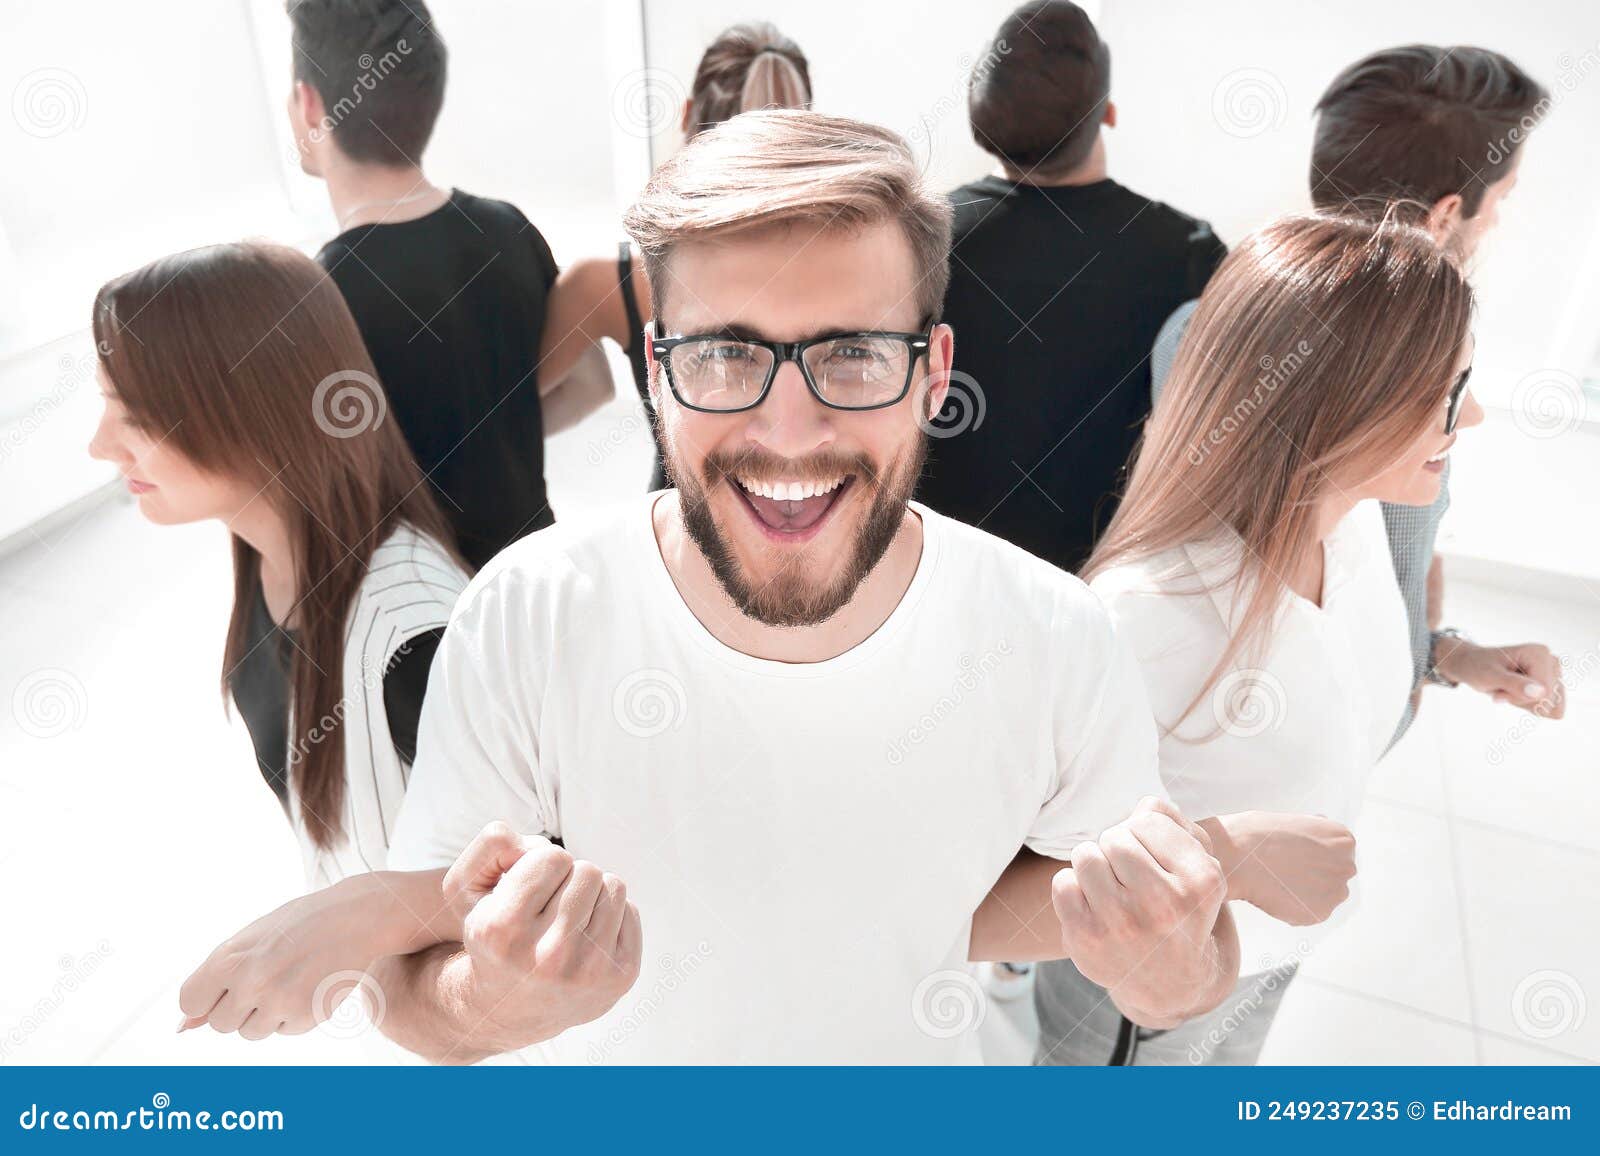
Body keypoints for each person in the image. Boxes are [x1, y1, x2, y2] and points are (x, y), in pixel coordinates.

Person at [339, 109, 1313, 1066]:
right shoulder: (525, 613)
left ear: (932, 373)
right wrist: (496, 1003)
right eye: (724, 354)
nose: (790, 431)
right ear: (656, 375)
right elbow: (409, 995)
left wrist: (1168, 971)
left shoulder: (1055, 636)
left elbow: (1184, 959)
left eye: (851, 353)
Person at [1037, 212, 1485, 1064]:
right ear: (1348, 407)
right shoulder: (1148, 615)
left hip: (1273, 958)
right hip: (1143, 1005)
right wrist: (1225, 857)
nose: (1478, 418)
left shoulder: (1352, 532)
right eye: (1453, 393)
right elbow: (1041, 875)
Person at [88, 242, 473, 1037]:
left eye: (131, 412)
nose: (101, 445)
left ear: (245, 407)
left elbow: (539, 880)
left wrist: (364, 923)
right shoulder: (268, 555)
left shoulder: (416, 634)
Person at [1150, 45, 1562, 741]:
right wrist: (1427, 664)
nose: (1496, 225)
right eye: (1503, 200)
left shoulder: (1197, 326)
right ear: (1446, 212)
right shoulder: (1405, 392)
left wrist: (1449, 655)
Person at [285, 0, 611, 570]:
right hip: (536, 574)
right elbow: (592, 387)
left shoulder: (319, 294)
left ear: (308, 104)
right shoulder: (508, 229)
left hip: (427, 613)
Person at [914, 0, 1226, 574]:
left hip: (933, 575)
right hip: (1102, 588)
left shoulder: (920, 238)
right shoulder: (1187, 254)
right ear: (1107, 112)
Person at [538, 22, 812, 492]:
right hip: (810, 509)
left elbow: (506, 412)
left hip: (678, 529)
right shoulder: (840, 271)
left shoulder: (616, 280)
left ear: (687, 116)